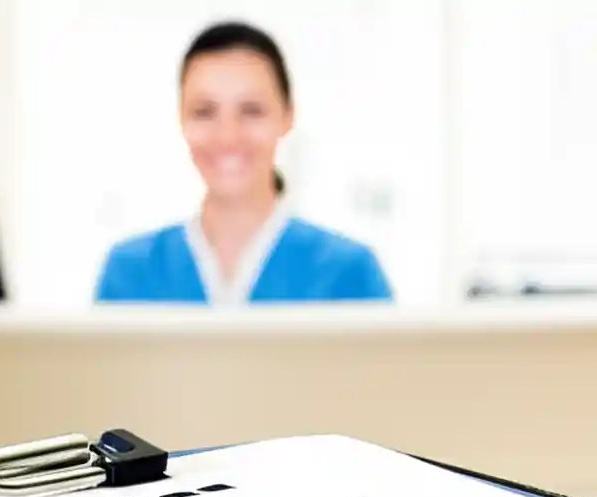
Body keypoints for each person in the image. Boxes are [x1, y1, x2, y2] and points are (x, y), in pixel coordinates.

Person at [95, 21, 393, 304]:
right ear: (180, 118)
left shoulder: (351, 274)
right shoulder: (129, 274)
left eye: (251, 111)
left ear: (287, 116)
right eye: (204, 112)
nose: (228, 137)